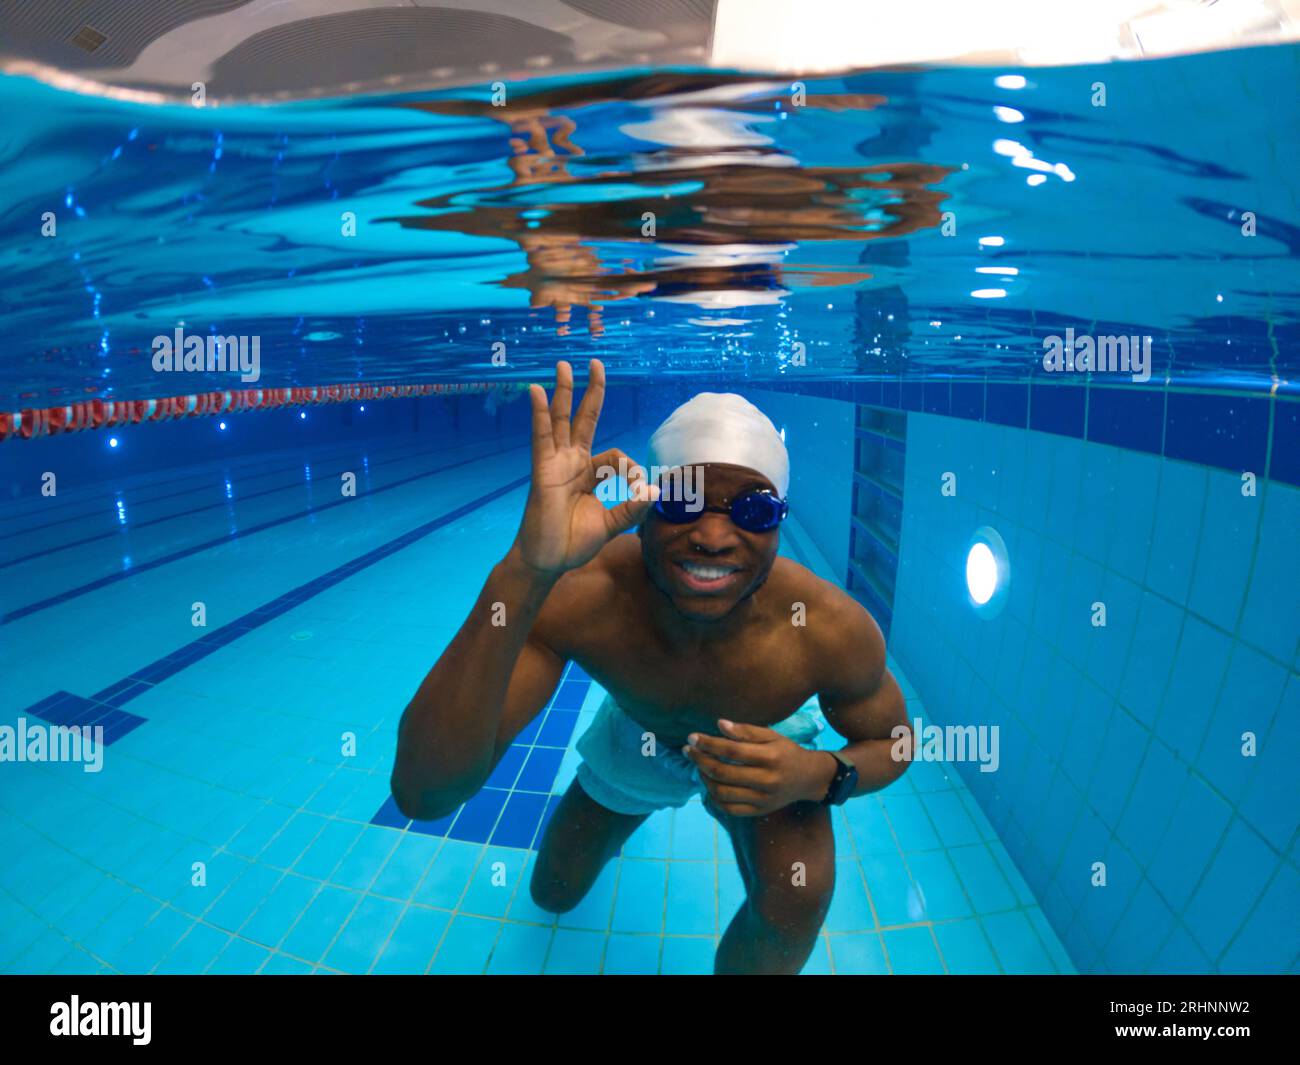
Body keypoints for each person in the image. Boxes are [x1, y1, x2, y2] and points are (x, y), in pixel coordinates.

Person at [391, 359, 911, 974]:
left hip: (766, 749)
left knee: (798, 895)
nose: (714, 538)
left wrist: (816, 774)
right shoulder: (583, 595)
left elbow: (895, 743)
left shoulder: (827, 628)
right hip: (639, 735)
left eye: (753, 511)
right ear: (645, 509)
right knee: (551, 892)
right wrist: (526, 572)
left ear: (778, 523)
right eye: (684, 501)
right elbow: (424, 794)